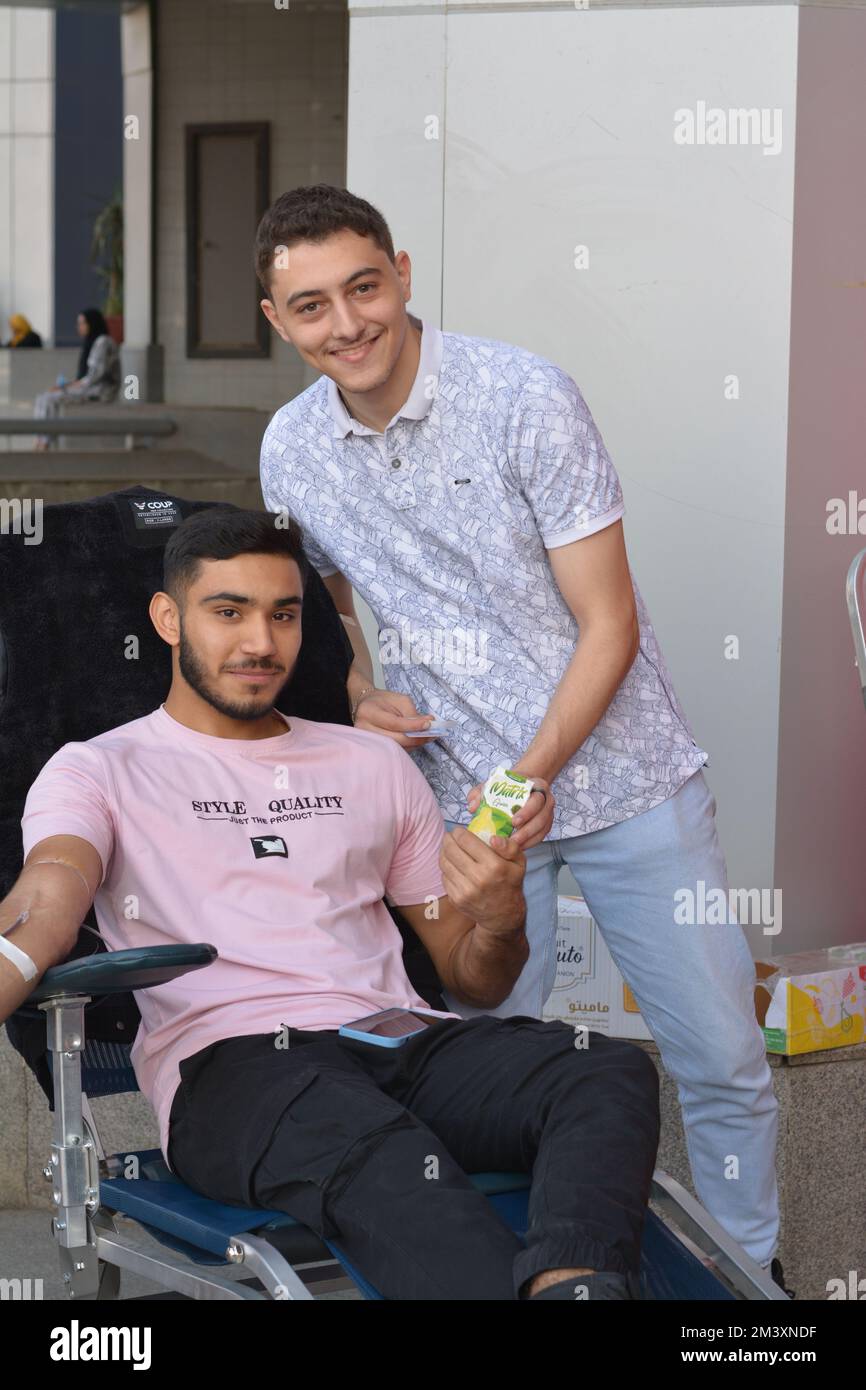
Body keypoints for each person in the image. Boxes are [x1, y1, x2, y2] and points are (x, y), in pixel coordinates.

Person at [254, 184, 787, 1290]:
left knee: (719, 1054)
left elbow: (610, 622)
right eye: (310, 306)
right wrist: (357, 692)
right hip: (451, 802)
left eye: (362, 287)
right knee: (495, 1064)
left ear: (400, 271)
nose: (345, 323)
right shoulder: (289, 451)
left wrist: (527, 775)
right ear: (276, 319)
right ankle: (535, 1275)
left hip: (622, 775)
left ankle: (748, 1278)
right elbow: (344, 610)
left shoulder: (522, 395)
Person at [0, 508, 660, 1301]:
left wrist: (499, 916)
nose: (260, 643)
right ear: (167, 619)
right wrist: (18, 954)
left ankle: (572, 1285)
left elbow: (472, 979)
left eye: (283, 615)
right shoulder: (100, 769)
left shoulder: (369, 763)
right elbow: (48, 892)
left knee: (604, 1070)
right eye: (228, 611)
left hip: (401, 1040)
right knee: (376, 1152)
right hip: (233, 1069)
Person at [32, 307, 120, 450]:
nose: (79, 327)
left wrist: (66, 387)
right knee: (43, 397)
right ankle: (40, 440)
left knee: (49, 398)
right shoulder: (92, 342)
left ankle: (44, 442)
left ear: (92, 323)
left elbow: (95, 377)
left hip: (101, 391)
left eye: (82, 323)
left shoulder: (103, 342)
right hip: (91, 387)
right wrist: (67, 386)